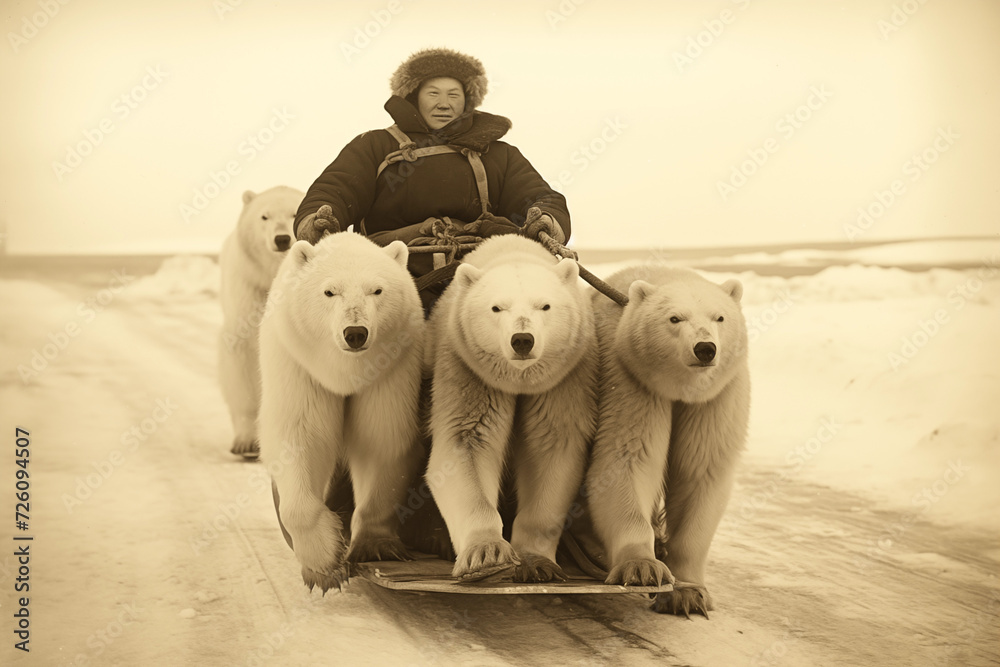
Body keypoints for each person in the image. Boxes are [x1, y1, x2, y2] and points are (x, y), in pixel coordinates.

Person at [293, 47, 570, 309]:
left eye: (453, 95)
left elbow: (541, 197)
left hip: (481, 278)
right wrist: (317, 222)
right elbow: (335, 189)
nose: (443, 104)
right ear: (414, 96)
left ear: (467, 100)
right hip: (390, 277)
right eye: (433, 93)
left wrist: (546, 220)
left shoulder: (499, 154)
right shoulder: (375, 146)